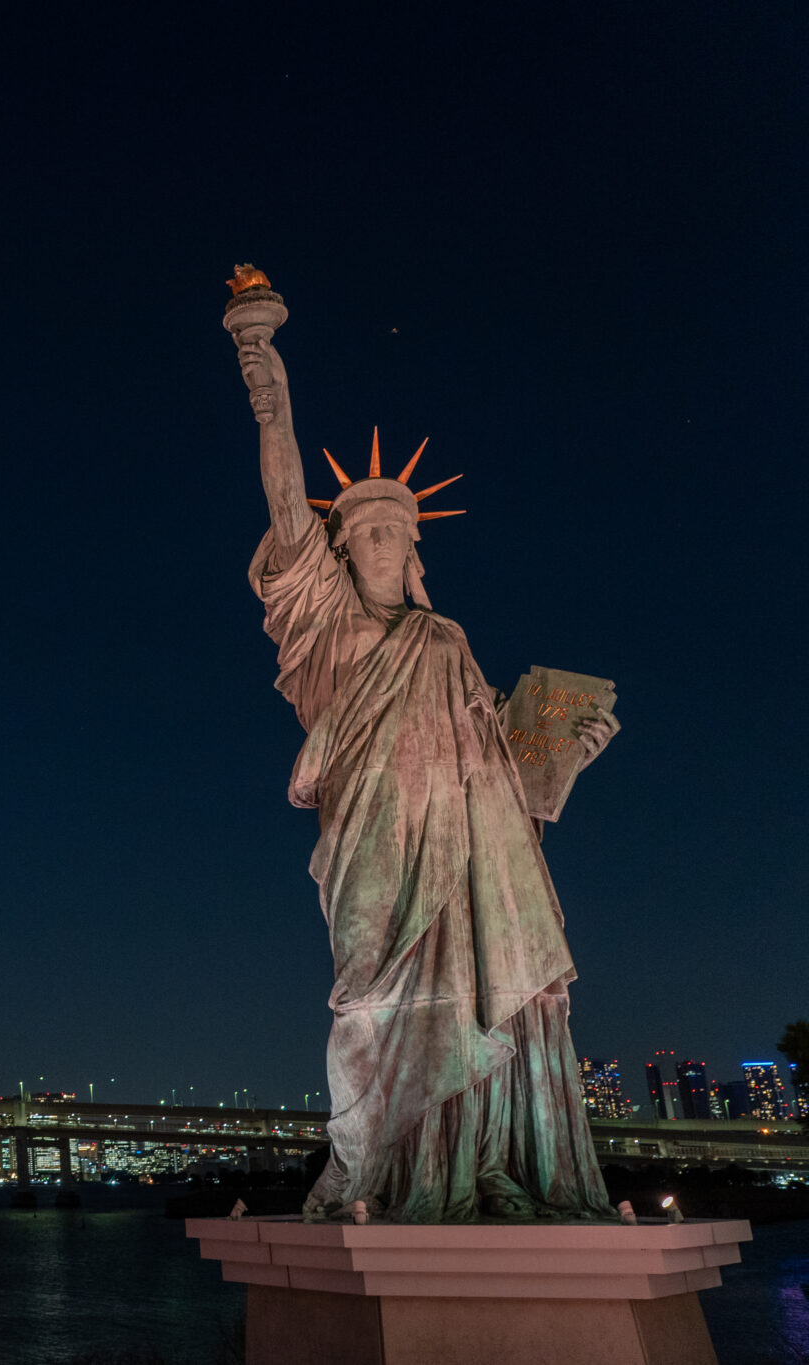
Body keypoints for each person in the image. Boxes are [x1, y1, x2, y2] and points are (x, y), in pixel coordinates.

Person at [234, 324, 618, 1222]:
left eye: (398, 538)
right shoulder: (328, 630)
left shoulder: (445, 642)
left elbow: (501, 779)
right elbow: (287, 495)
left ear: (416, 554)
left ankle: (474, 1163)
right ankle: (367, 1161)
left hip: (466, 851)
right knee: (366, 1000)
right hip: (372, 838)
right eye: (365, 535)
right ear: (341, 554)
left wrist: (569, 757)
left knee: (475, 993)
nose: (385, 549)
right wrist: (264, 370)